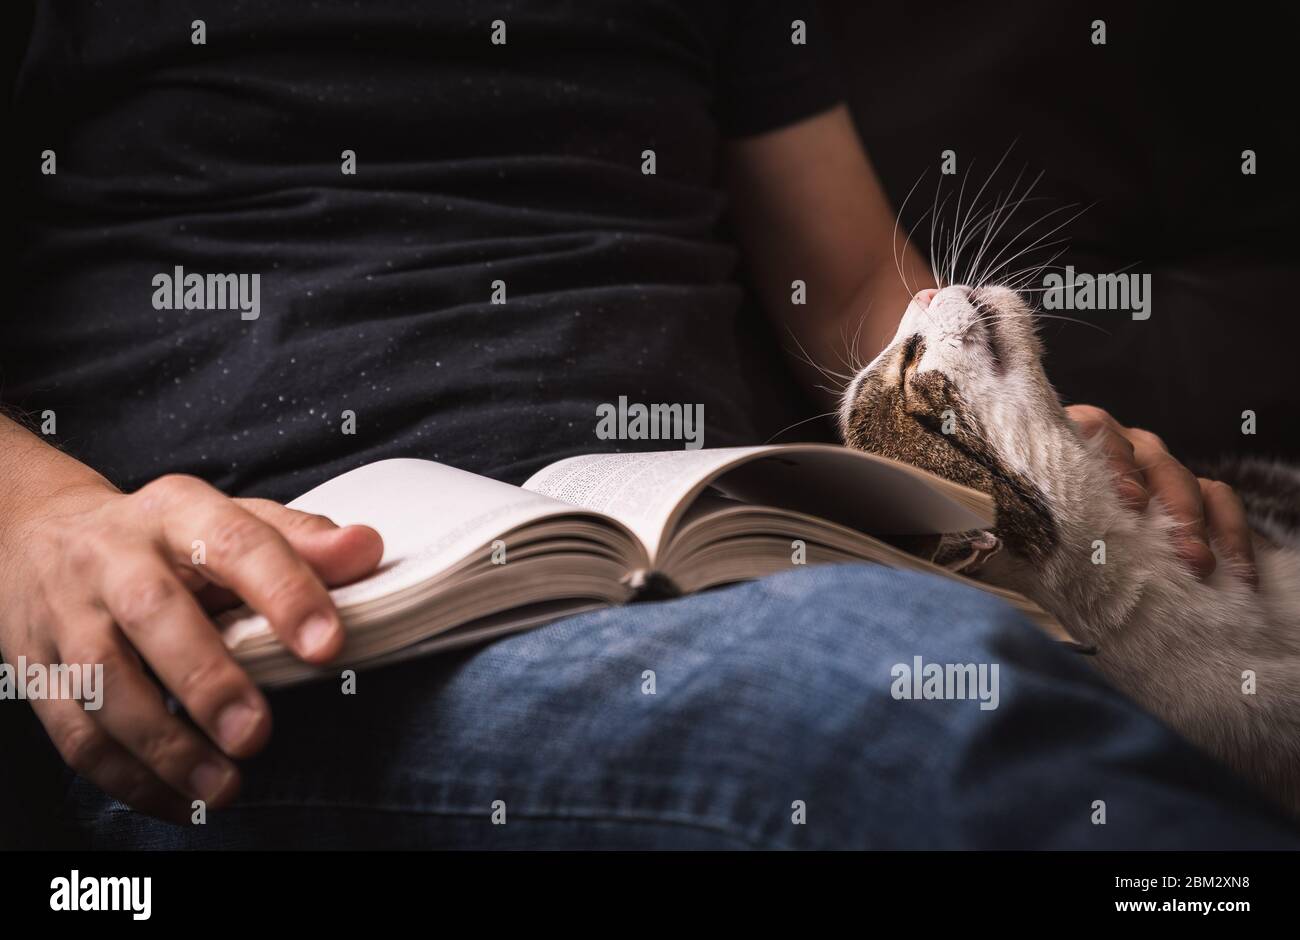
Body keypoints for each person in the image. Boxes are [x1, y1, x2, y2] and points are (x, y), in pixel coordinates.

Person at [3, 1, 1289, 848]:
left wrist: (1051, 456)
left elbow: (847, 287)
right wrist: (48, 523)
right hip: (284, 628)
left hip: (713, 547)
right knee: (916, 694)